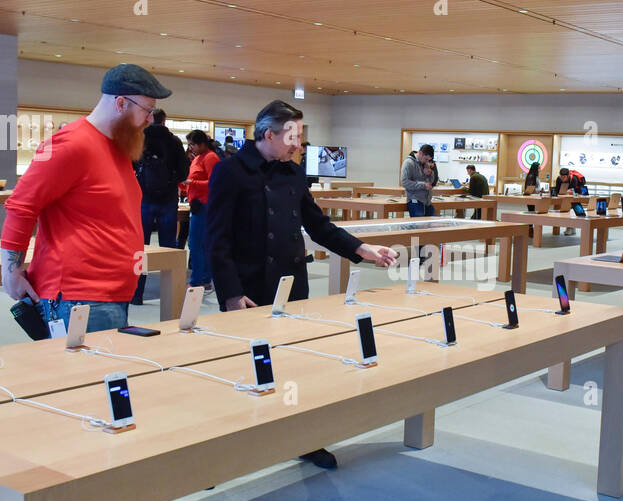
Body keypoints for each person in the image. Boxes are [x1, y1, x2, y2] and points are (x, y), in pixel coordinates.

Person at [2, 63, 171, 501]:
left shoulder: (116, 149)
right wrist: (11, 269)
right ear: (120, 102)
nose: (150, 122)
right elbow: (21, 204)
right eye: (146, 111)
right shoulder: (70, 144)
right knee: (85, 400)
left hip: (109, 294)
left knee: (104, 394)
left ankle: (93, 493)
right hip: (78, 295)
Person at [207, 99, 398, 470]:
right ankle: (223, 453)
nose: (298, 145)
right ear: (269, 134)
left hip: (291, 284)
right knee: (245, 368)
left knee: (296, 363)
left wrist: (362, 249)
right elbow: (216, 240)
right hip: (247, 289)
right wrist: (230, 293)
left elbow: (318, 225)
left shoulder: (293, 174)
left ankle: (304, 437)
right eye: (293, 137)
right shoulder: (230, 172)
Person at [131, 109, 189, 305]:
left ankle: (137, 293)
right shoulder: (174, 142)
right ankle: (169, 295)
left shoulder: (140, 138)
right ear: (164, 120)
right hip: (168, 200)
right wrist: (170, 181)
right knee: (168, 247)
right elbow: (183, 171)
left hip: (144, 199)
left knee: (141, 247)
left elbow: (130, 165)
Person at [183, 130, 219, 291]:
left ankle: (199, 280)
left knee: (196, 244)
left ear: (201, 143)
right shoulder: (198, 158)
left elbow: (214, 182)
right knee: (199, 244)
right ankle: (202, 279)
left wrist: (192, 183)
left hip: (204, 205)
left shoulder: (210, 157)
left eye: (192, 144)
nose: (191, 148)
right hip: (197, 203)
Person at [401, 144, 435, 217]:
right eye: (426, 159)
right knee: (419, 227)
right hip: (415, 201)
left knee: (431, 226)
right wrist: (423, 185)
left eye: (428, 160)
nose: (427, 161)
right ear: (420, 153)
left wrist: (430, 173)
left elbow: (430, 182)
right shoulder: (408, 163)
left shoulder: (425, 163)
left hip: (427, 202)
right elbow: (404, 182)